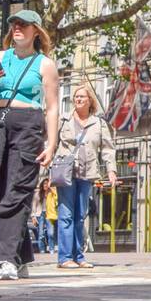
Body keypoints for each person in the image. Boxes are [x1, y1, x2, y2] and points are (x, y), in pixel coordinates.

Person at [0, 10, 60, 281]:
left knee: (18, 190)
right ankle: (20, 256)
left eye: (23, 25)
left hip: (28, 125)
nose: (17, 28)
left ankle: (2, 259)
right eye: (14, 24)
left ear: (35, 31)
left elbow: (52, 107)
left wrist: (52, 143)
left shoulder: (45, 64)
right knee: (2, 192)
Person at [54, 83, 118, 270]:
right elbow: (50, 142)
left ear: (90, 100)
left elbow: (107, 148)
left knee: (80, 216)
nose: (78, 99)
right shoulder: (63, 120)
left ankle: (79, 256)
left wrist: (111, 170)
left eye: (82, 96)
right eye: (76, 97)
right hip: (66, 172)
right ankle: (64, 258)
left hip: (87, 173)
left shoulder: (98, 123)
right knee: (66, 215)